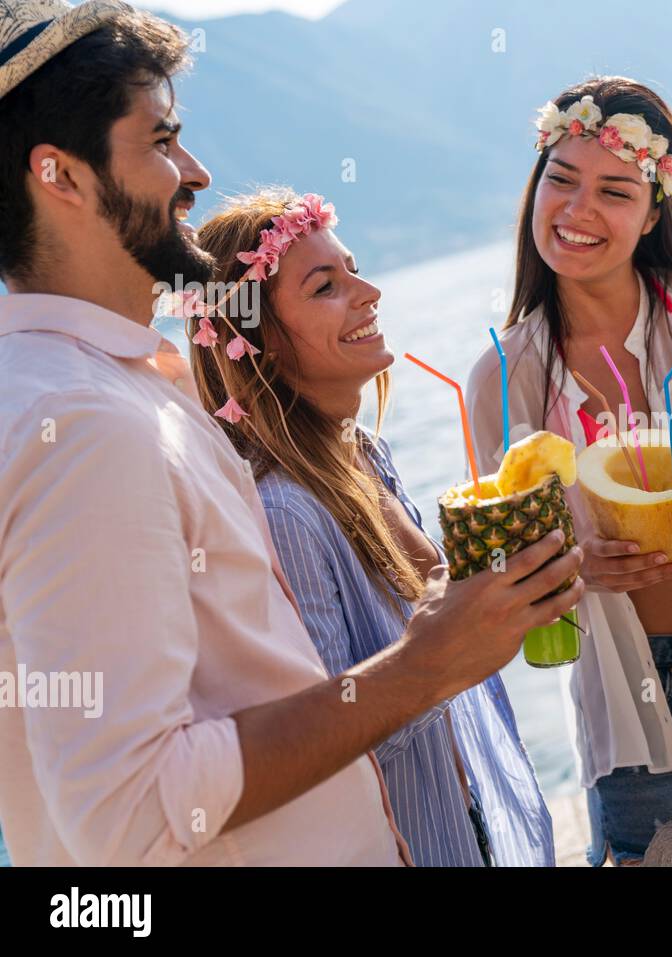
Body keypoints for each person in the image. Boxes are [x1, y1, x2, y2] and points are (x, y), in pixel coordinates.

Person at [0, 0, 581, 866]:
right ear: (63, 178)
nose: (192, 170)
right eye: (159, 141)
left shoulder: (103, 393)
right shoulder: (84, 425)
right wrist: (427, 662)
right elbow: (135, 818)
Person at [466, 77, 672, 864]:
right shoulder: (500, 378)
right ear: (534, 188)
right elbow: (498, 585)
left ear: (652, 213)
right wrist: (576, 569)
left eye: (614, 191)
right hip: (635, 707)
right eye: (561, 180)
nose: (579, 211)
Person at [190, 189, 555, 866]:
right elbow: (324, 746)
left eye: (353, 267)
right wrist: (449, 650)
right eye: (326, 286)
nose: (370, 291)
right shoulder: (286, 514)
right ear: (259, 345)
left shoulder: (365, 456)